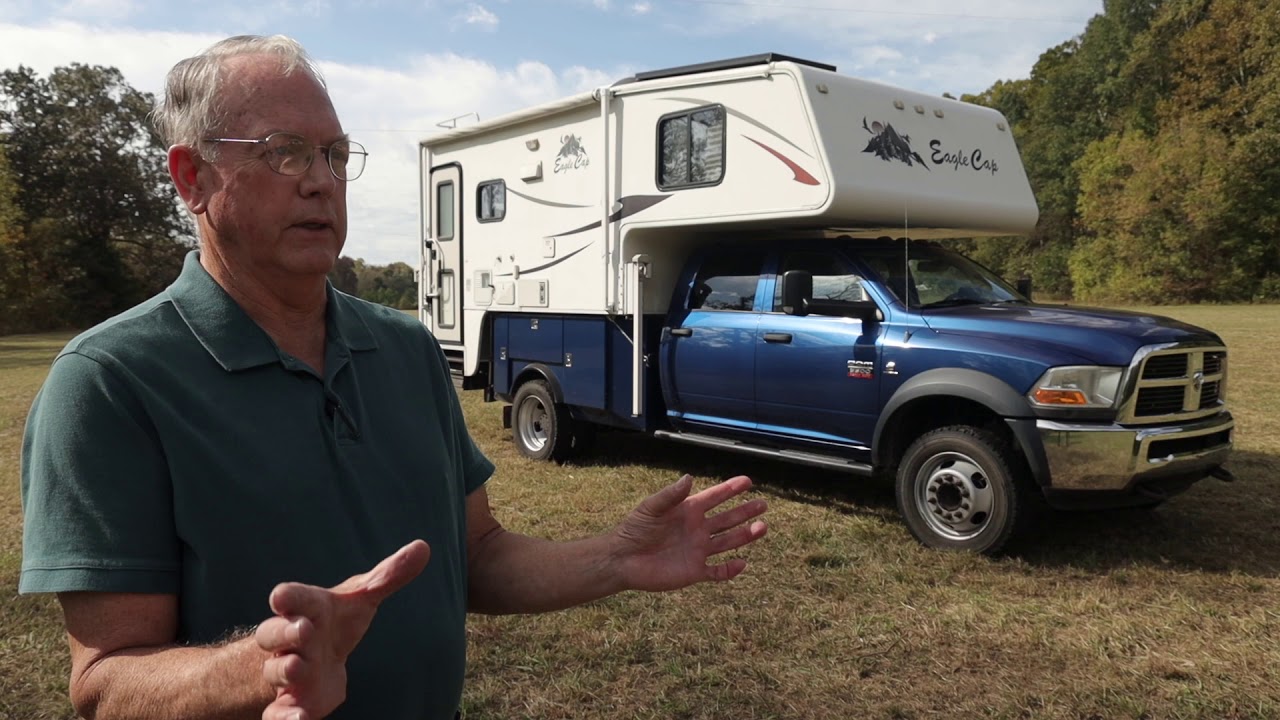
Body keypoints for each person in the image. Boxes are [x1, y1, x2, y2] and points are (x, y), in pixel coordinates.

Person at [18, 35, 768, 720]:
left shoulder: (406, 348)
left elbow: (475, 557)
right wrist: (258, 669)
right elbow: (105, 679)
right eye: (284, 152)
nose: (321, 181)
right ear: (192, 178)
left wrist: (616, 557)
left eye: (335, 155)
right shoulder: (110, 381)